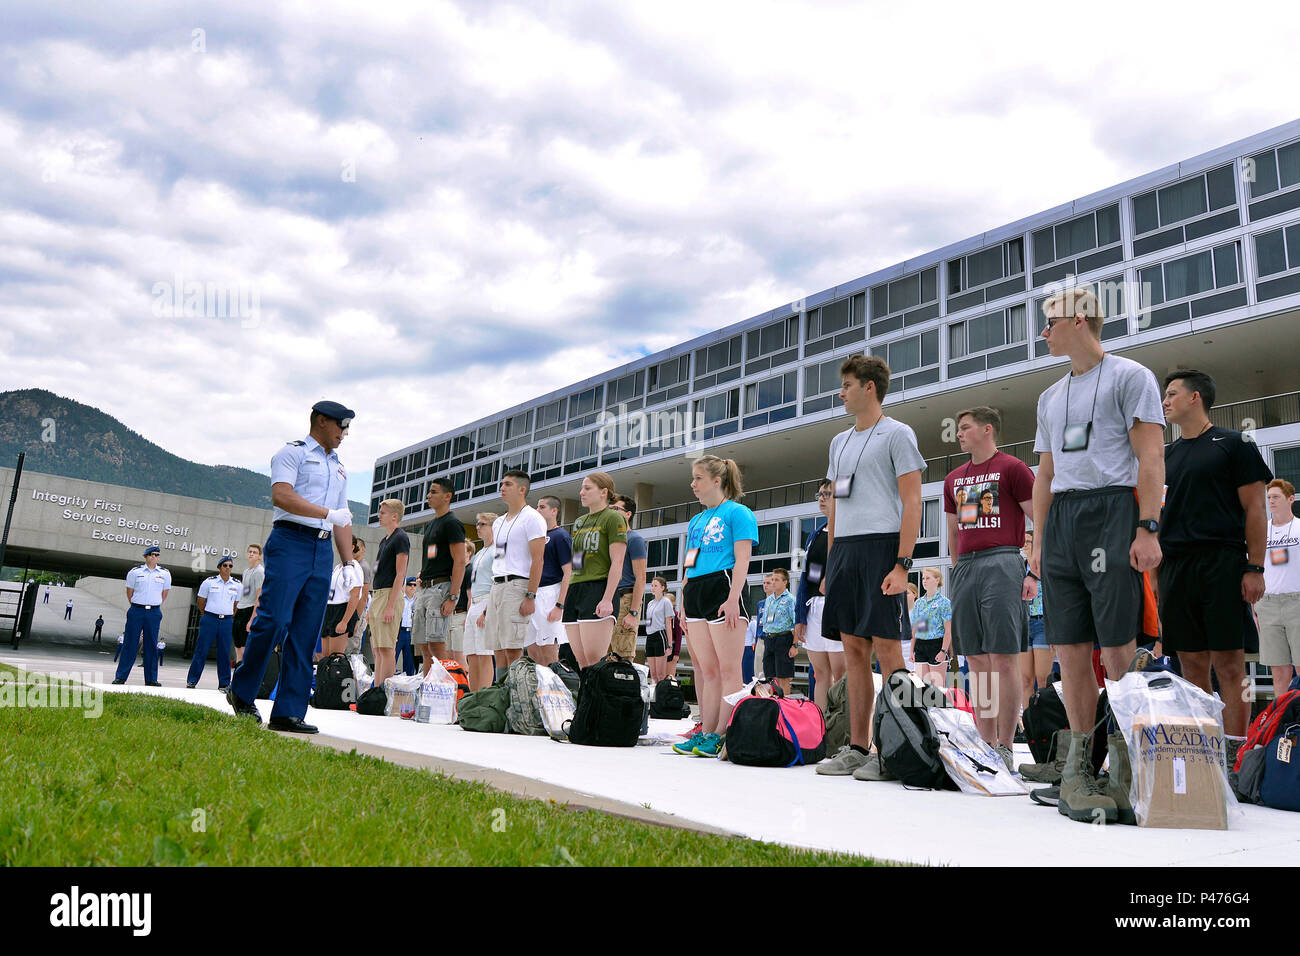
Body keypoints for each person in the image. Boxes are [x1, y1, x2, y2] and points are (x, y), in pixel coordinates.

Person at [1028, 288, 1165, 823]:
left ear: (1079, 319)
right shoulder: (1048, 397)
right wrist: (1037, 543)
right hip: (1063, 518)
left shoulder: (1132, 377)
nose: (1043, 333)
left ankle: (1127, 772)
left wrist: (1147, 527)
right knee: (1069, 650)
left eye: (1049, 323)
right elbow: (1044, 474)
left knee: (1116, 648)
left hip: (1112, 510)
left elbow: (1151, 456)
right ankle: (1079, 768)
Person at [815, 354, 925, 780]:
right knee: (854, 651)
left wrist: (903, 564)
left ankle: (898, 749)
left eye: (846, 385)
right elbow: (837, 505)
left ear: (869, 388)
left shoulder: (898, 434)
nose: (841, 393)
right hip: (845, 553)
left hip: (883, 548)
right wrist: (830, 561)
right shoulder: (838, 443)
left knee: (888, 650)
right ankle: (859, 747)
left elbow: (913, 502)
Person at [1158, 369, 1271, 768]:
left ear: (1195, 398)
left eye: (1172, 393)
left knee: (1230, 663)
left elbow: (1256, 509)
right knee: (1190, 664)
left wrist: (1254, 566)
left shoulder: (1235, 444)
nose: (1165, 400)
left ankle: (1236, 754)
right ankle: (1203, 754)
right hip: (1175, 568)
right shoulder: (1165, 456)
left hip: (1222, 563)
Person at [226, 400, 355, 732]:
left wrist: (350, 560)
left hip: (322, 548)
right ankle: (241, 691)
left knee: (306, 630)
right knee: (274, 620)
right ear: (321, 421)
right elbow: (281, 496)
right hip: (290, 542)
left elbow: (342, 519)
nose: (344, 432)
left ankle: (288, 711)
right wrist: (327, 515)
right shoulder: (292, 453)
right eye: (341, 425)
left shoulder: (339, 468)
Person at [944, 405, 1038, 769]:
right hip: (967, 568)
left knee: (1003, 658)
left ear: (987, 430)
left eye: (965, 427)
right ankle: (984, 743)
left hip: (1003, 561)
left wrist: (1033, 572)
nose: (958, 433)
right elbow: (954, 530)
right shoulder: (954, 478)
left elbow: (1039, 519)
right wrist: (958, 568)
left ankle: (1006, 744)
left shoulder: (1012, 468)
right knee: (976, 660)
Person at [672, 455, 758, 758]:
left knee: (729, 668)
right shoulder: (696, 520)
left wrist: (734, 598)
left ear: (717, 481)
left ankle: (722, 733)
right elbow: (689, 563)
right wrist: (682, 602)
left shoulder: (739, 513)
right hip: (695, 590)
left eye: (698, 478)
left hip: (723, 588)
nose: (692, 484)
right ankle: (706, 730)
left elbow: (743, 560)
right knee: (707, 670)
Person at [563, 473, 628, 668]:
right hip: (575, 589)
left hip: (598, 588)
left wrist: (607, 598)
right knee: (581, 662)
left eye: (587, 488)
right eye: (582, 488)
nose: (582, 492)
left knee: (594, 661)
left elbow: (617, 562)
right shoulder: (579, 522)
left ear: (603, 492)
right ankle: (584, 699)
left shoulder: (614, 518)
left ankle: (596, 699)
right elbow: (577, 561)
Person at [488, 470, 547, 678]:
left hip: (517, 585)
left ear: (522, 490)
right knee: (497, 646)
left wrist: (531, 595)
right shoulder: (498, 522)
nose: (502, 488)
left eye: (508, 484)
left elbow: (538, 559)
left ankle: (515, 693)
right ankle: (501, 692)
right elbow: (500, 557)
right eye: (502, 484)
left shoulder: (533, 518)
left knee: (512, 647)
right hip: (497, 585)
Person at [796, 479, 847, 711]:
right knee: (820, 673)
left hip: (837, 606)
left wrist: (833, 579)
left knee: (841, 673)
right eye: (820, 494)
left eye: (828, 494)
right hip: (814, 605)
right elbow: (808, 577)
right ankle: (820, 726)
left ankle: (845, 729)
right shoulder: (815, 535)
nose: (822, 498)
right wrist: (800, 616)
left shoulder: (847, 530)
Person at [413, 479, 468, 676]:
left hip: (441, 588)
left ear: (447, 496)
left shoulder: (452, 523)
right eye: (429, 492)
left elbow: (460, 561)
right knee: (424, 647)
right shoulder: (431, 524)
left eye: (434, 492)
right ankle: (428, 690)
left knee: (437, 645)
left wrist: (453, 596)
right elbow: (432, 555)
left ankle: (444, 689)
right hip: (425, 588)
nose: (429, 496)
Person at [1260, 479, 1300, 691]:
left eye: (1276, 497)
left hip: (1297, 600)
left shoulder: (1299, 527)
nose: (1271, 501)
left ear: (1290, 499)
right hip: (1268, 603)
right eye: (1269, 498)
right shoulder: (1261, 530)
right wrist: (1254, 608)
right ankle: (1281, 721)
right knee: (1279, 673)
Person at [113, 546, 171, 686]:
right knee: (130, 643)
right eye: (152, 554)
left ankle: (151, 679)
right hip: (136, 610)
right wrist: (138, 604)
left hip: (153, 612)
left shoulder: (164, 573)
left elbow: (164, 593)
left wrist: (153, 604)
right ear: (146, 556)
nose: (154, 557)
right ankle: (121, 677)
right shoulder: (135, 572)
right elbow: (130, 592)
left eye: (157, 555)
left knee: (151, 645)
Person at [369, 498, 411, 689]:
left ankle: (383, 692)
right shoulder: (384, 540)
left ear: (394, 516)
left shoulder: (400, 537)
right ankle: (376, 689)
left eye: (383, 512)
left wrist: (391, 605)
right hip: (378, 594)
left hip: (389, 595)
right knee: (377, 649)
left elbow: (400, 573)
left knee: (387, 648)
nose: (379, 515)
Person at [526, 495, 572, 667]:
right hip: (532, 594)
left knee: (548, 650)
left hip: (550, 593)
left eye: (542, 507)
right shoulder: (535, 537)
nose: (537, 510)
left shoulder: (561, 536)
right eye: (537, 506)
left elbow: (569, 572)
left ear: (554, 511)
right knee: (532, 650)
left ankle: (553, 690)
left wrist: (560, 605)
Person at [186, 555, 242, 689]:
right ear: (219, 567)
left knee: (224, 652)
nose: (228, 568)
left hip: (227, 621)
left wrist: (229, 614)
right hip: (210, 618)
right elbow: (201, 601)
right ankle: (192, 680)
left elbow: (236, 604)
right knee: (201, 650)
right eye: (225, 565)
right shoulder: (209, 582)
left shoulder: (237, 585)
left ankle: (224, 683)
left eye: (230, 566)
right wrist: (206, 613)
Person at [609, 494, 649, 662]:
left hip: (626, 599)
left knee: (623, 654)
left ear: (628, 514)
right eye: (609, 509)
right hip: (609, 599)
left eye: (616, 509)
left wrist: (633, 612)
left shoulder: (634, 539)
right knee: (605, 654)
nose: (611, 512)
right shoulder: (610, 540)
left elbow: (641, 577)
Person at [1019, 529, 1053, 708]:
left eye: (1029, 541)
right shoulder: (1019, 567)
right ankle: (1028, 724)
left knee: (1042, 680)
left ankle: (1043, 723)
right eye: (1023, 541)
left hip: (1044, 625)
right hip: (1024, 625)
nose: (1025, 544)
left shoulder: (1045, 566)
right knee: (1025, 680)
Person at [465, 515, 499, 690]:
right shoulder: (478, 553)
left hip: (486, 601)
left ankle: (483, 696)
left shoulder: (498, 550)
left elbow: (497, 582)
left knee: (484, 654)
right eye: (477, 523)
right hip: (474, 604)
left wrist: (487, 611)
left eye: (482, 524)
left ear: (494, 526)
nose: (478, 527)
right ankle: (474, 696)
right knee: (472, 654)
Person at [911, 568, 953, 690]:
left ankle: (939, 708)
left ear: (937, 580)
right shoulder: (919, 603)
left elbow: (948, 631)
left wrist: (944, 651)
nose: (924, 581)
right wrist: (912, 651)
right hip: (921, 646)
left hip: (937, 645)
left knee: (937, 688)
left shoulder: (944, 602)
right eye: (923, 578)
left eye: (927, 578)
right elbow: (916, 629)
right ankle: (924, 709)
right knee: (921, 687)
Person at [320, 552, 364, 659]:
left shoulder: (354, 566)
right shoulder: (337, 567)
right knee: (325, 657)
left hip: (341, 609)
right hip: (329, 609)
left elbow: (355, 595)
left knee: (335, 657)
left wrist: (345, 621)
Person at [762, 568, 798, 696]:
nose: (773, 582)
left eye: (776, 580)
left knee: (783, 677)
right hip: (769, 639)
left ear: (785, 582)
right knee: (769, 677)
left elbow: (795, 623)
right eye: (772, 579)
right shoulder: (769, 600)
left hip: (784, 639)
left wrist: (795, 645)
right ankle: (773, 705)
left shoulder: (790, 600)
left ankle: (785, 706)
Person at [234, 544, 264, 666]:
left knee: (245, 647)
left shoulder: (259, 572)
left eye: (255, 552)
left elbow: (259, 597)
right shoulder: (246, 572)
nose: (251, 554)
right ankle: (236, 678)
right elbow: (245, 592)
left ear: (260, 556)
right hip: (241, 609)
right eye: (250, 552)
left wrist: (252, 619)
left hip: (250, 610)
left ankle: (242, 678)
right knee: (237, 645)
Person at [447, 540, 475, 663]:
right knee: (449, 654)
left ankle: (464, 680)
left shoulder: (470, 570)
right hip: (450, 616)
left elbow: (471, 596)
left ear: (469, 553)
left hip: (461, 614)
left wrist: (468, 618)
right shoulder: (456, 571)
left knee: (460, 654)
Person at [645, 576, 675, 683]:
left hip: (660, 636)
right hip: (650, 637)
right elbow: (648, 621)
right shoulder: (650, 603)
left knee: (660, 674)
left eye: (655, 586)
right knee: (653, 674)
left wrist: (669, 645)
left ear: (663, 588)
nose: (653, 588)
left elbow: (668, 624)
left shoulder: (666, 602)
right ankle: (656, 697)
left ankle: (662, 698)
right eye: (652, 585)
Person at [346, 537, 373, 660]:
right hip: (349, 611)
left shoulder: (364, 567)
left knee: (352, 650)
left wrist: (356, 619)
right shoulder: (352, 565)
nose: (354, 548)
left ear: (363, 549)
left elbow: (363, 597)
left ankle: (353, 678)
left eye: (357, 546)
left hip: (357, 613)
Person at [744, 575, 771, 685]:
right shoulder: (760, 603)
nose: (765, 585)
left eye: (768, 583)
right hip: (760, 639)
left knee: (771, 672)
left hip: (772, 638)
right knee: (758, 672)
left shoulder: (780, 601)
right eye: (764, 583)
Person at [395, 577, 418, 676]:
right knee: (392, 659)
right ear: (405, 585)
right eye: (410, 584)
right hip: (399, 632)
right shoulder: (399, 598)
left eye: (414, 585)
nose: (412, 587)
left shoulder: (418, 600)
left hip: (411, 633)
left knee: (410, 664)